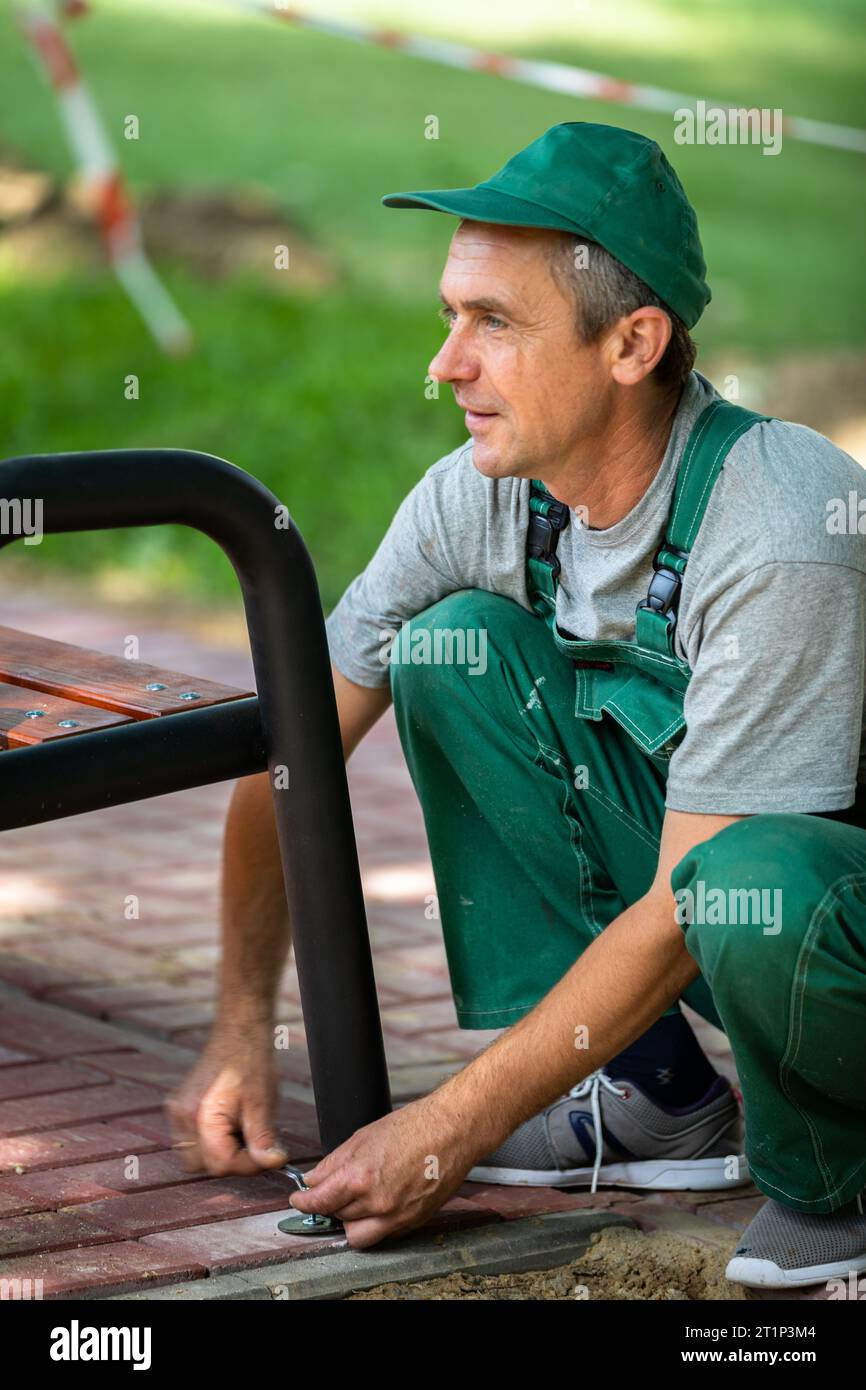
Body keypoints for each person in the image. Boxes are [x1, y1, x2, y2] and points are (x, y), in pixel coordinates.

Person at [169, 122, 866, 1290]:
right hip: (728, 903)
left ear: (631, 344)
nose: (445, 363)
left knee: (752, 882)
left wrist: (451, 1126)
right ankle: (646, 1095)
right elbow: (296, 748)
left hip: (816, 919)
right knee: (453, 649)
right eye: (449, 315)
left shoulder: (779, 529)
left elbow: (692, 897)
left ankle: (831, 1174)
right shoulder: (484, 495)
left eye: (493, 322)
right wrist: (241, 1020)